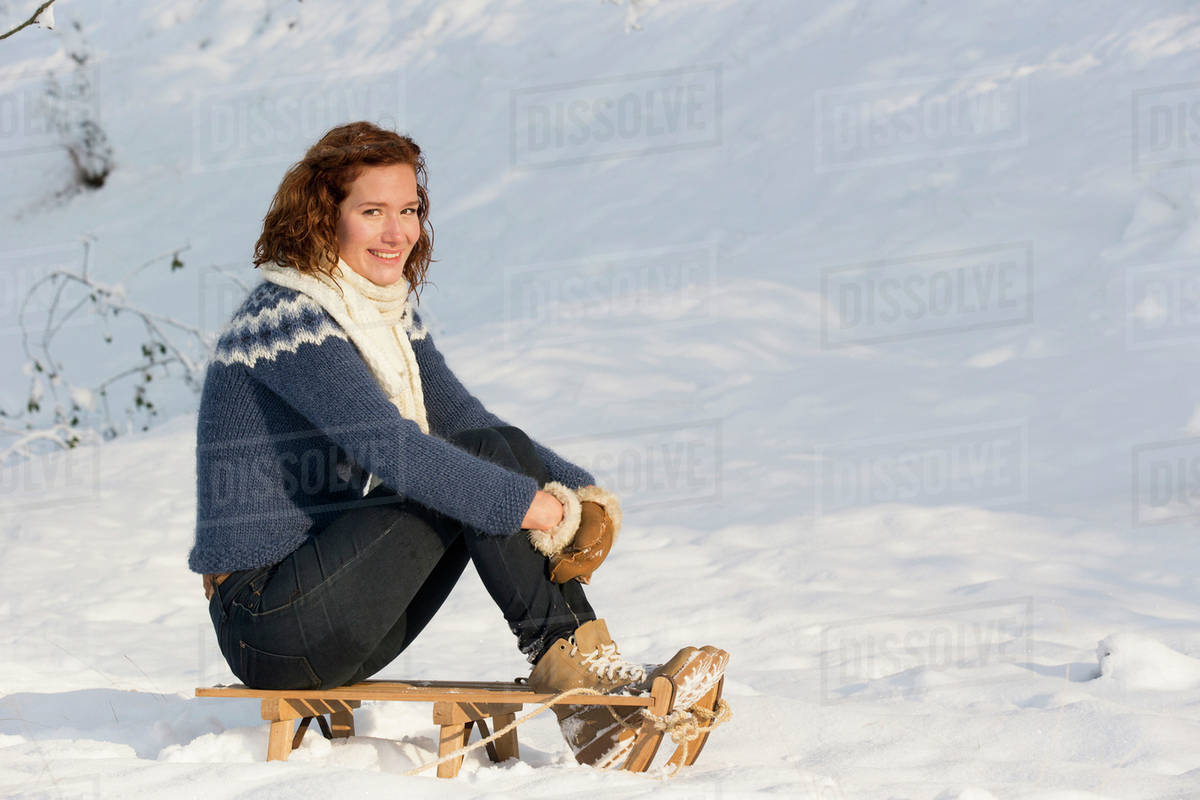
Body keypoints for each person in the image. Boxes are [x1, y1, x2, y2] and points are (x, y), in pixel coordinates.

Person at [188, 121, 719, 768]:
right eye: (372, 212)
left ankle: (590, 677)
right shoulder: (286, 319)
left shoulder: (380, 308)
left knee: (485, 445)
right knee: (474, 471)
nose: (398, 232)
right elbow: (393, 450)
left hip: (337, 606)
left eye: (408, 210)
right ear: (323, 217)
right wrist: (542, 510)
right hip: (267, 624)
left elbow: (466, 419)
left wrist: (582, 493)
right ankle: (585, 694)